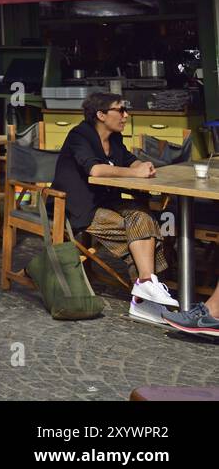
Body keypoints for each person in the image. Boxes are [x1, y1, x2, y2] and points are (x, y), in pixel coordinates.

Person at [52, 91, 177, 325]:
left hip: (108, 199)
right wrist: (134, 173)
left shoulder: (115, 138)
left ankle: (145, 285)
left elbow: (129, 160)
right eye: (120, 110)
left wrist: (143, 165)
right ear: (101, 114)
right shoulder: (80, 135)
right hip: (79, 205)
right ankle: (144, 299)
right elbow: (95, 170)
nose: (126, 115)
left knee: (142, 216)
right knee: (144, 232)